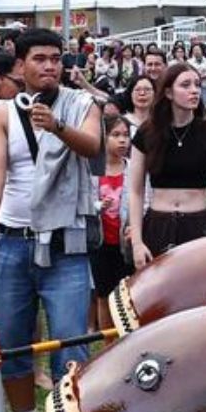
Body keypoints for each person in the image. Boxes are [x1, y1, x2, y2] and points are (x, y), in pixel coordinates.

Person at [0, 28, 103, 412]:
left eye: (56, 58)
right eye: (39, 58)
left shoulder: (82, 105)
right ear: (20, 66)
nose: (49, 65)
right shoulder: (2, 113)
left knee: (70, 339)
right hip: (12, 240)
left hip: (64, 242)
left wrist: (56, 126)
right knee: (12, 337)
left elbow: (93, 146)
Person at [127, 62, 206, 259]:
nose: (194, 91)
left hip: (198, 225)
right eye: (185, 85)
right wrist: (137, 242)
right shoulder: (146, 133)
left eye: (197, 85)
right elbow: (136, 191)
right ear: (168, 93)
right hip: (157, 225)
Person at [90, 115, 131, 329]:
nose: (122, 140)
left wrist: (135, 225)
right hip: (100, 242)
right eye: (116, 135)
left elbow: (145, 199)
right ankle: (107, 343)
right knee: (103, 294)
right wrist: (97, 206)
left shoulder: (134, 168)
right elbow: (82, 199)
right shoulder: (92, 169)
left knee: (127, 295)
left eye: (126, 135)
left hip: (127, 244)